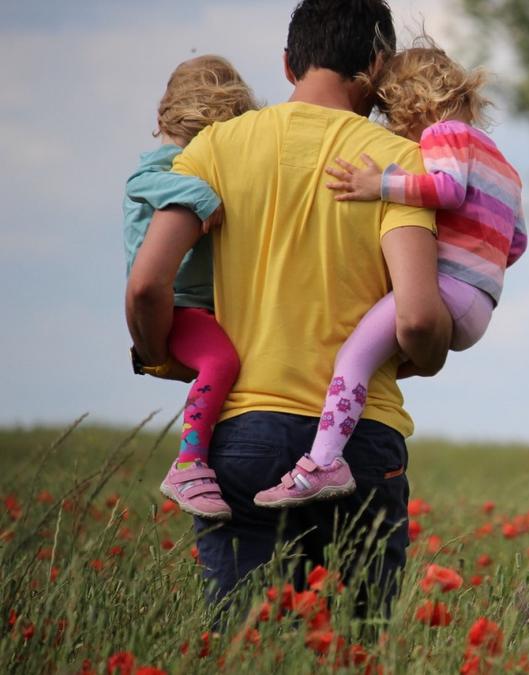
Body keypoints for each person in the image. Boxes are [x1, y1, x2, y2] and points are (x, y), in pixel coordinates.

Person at [125, 0, 451, 607]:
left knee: (247, 646)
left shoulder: (213, 150)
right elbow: (420, 317)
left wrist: (157, 355)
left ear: (286, 65)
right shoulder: (398, 163)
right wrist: (425, 357)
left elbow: (147, 284)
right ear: (377, 65)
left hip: (243, 435)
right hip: (361, 440)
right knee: (357, 646)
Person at [254, 42, 527, 507]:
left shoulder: (444, 135)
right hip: (481, 303)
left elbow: (446, 189)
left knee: (352, 359)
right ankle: (337, 441)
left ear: (412, 103)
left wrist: (377, 184)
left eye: (390, 112)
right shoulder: (504, 164)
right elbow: (516, 243)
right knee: (376, 360)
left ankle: (323, 463)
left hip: (447, 289)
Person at [124, 55, 257, 520]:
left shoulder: (191, 161)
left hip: (202, 306)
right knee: (221, 361)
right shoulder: (165, 166)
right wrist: (201, 195)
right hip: (178, 306)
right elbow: (142, 182)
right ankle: (189, 463)